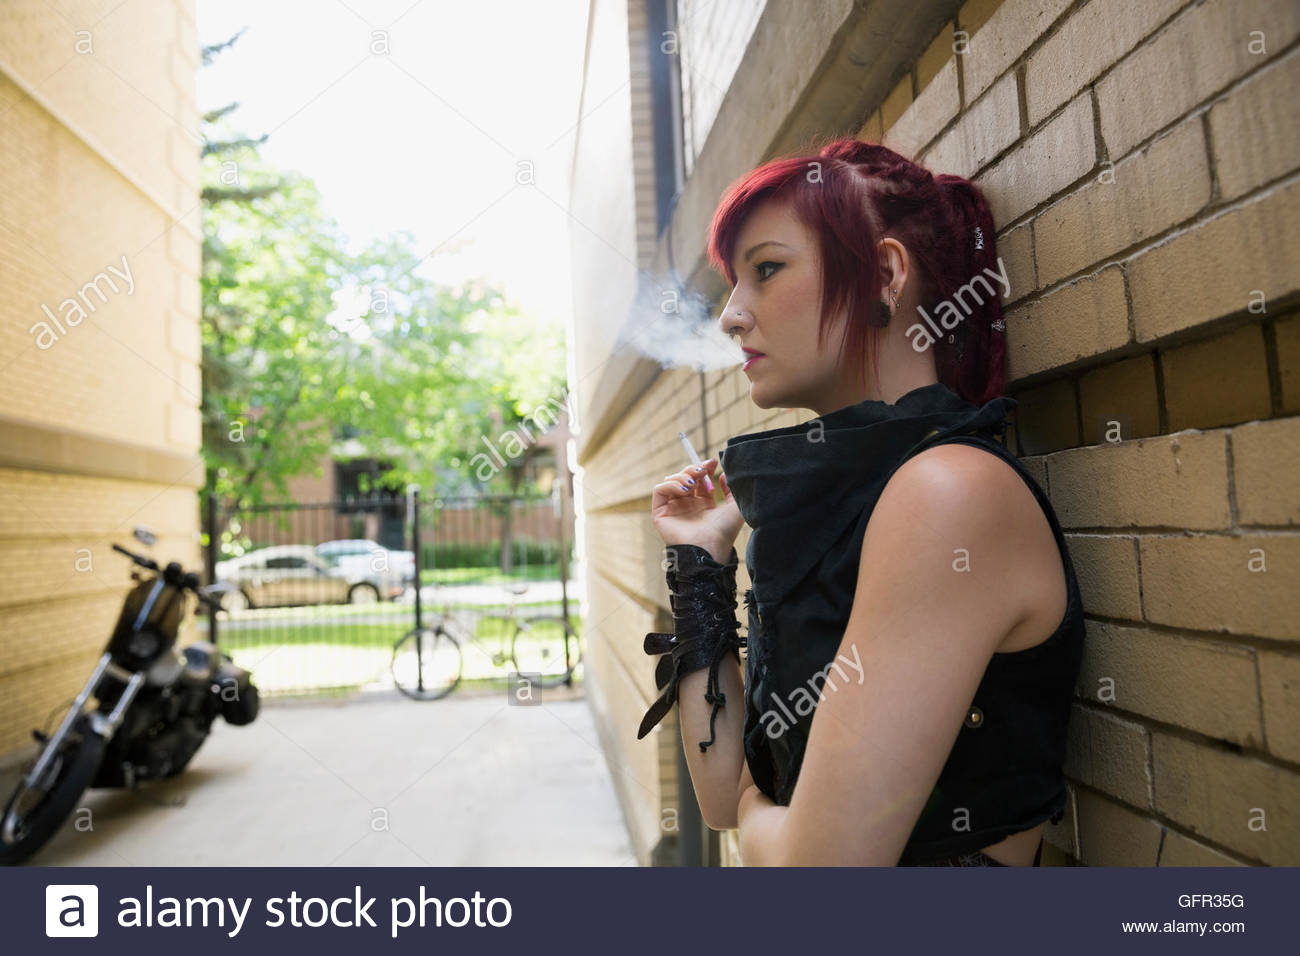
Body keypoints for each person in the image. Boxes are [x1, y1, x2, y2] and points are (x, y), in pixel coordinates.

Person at [637, 137, 1086, 866]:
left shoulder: (947, 496)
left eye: (767, 270)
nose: (730, 317)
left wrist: (757, 818)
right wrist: (698, 560)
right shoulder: (865, 497)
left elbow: (810, 869)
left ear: (883, 273)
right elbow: (721, 797)